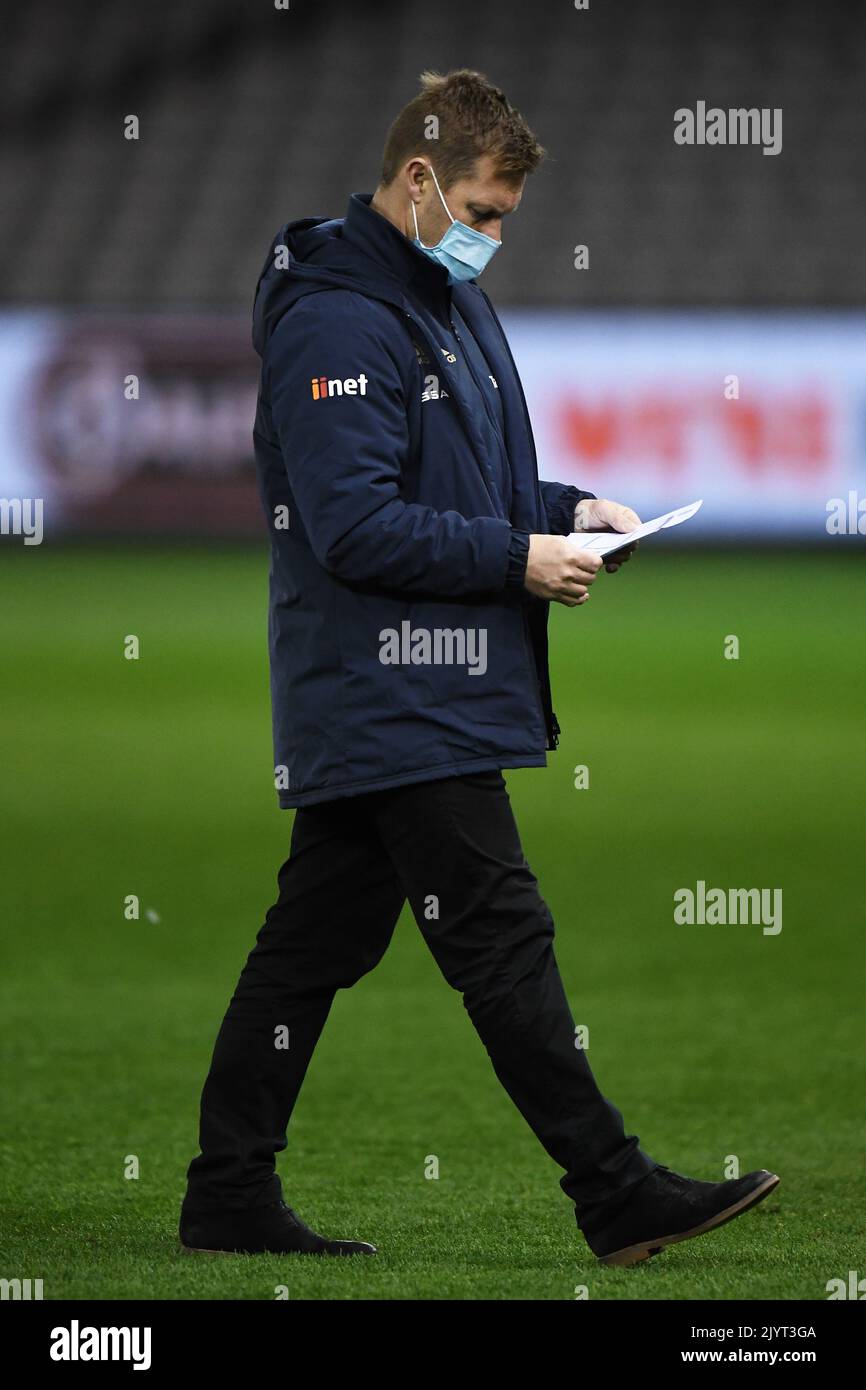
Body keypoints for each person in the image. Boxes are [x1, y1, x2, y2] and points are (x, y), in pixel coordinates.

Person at [180, 69, 778, 1267]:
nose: (493, 237)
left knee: (313, 944)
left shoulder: (441, 300)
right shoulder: (337, 320)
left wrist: (570, 511)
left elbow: (469, 485)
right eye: (483, 211)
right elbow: (352, 525)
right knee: (500, 936)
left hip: (415, 685)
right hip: (393, 684)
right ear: (418, 181)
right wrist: (518, 558)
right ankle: (614, 1192)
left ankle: (226, 1192)